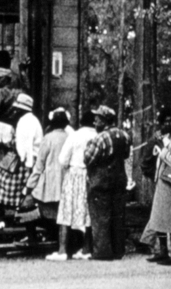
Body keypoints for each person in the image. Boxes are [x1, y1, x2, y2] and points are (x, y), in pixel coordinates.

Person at [0, 93, 41, 231]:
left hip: (22, 161)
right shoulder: (33, 120)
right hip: (27, 160)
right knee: (16, 192)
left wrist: (25, 165)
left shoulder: (24, 121)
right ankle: (4, 219)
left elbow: (24, 146)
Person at [82, 105, 131, 260]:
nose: (95, 123)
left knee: (101, 217)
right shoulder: (124, 135)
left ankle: (102, 251)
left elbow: (87, 159)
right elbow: (125, 154)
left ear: (104, 121)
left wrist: (88, 146)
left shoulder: (100, 138)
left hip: (101, 182)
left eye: (97, 120)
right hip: (119, 180)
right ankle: (118, 250)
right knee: (118, 216)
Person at [142, 106, 171, 265]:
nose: (168, 124)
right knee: (160, 218)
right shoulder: (170, 136)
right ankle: (162, 251)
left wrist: (162, 150)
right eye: (165, 121)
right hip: (162, 181)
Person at [52, 110, 99, 259]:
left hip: (73, 174)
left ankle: (62, 250)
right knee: (88, 213)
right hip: (90, 176)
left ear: (81, 122)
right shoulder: (98, 136)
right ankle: (86, 249)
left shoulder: (75, 135)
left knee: (66, 211)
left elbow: (62, 159)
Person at [26, 108, 73, 247]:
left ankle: (32, 239)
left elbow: (39, 165)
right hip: (66, 180)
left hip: (49, 182)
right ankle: (61, 240)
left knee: (31, 209)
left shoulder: (48, 138)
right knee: (62, 214)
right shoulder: (70, 137)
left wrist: (30, 185)